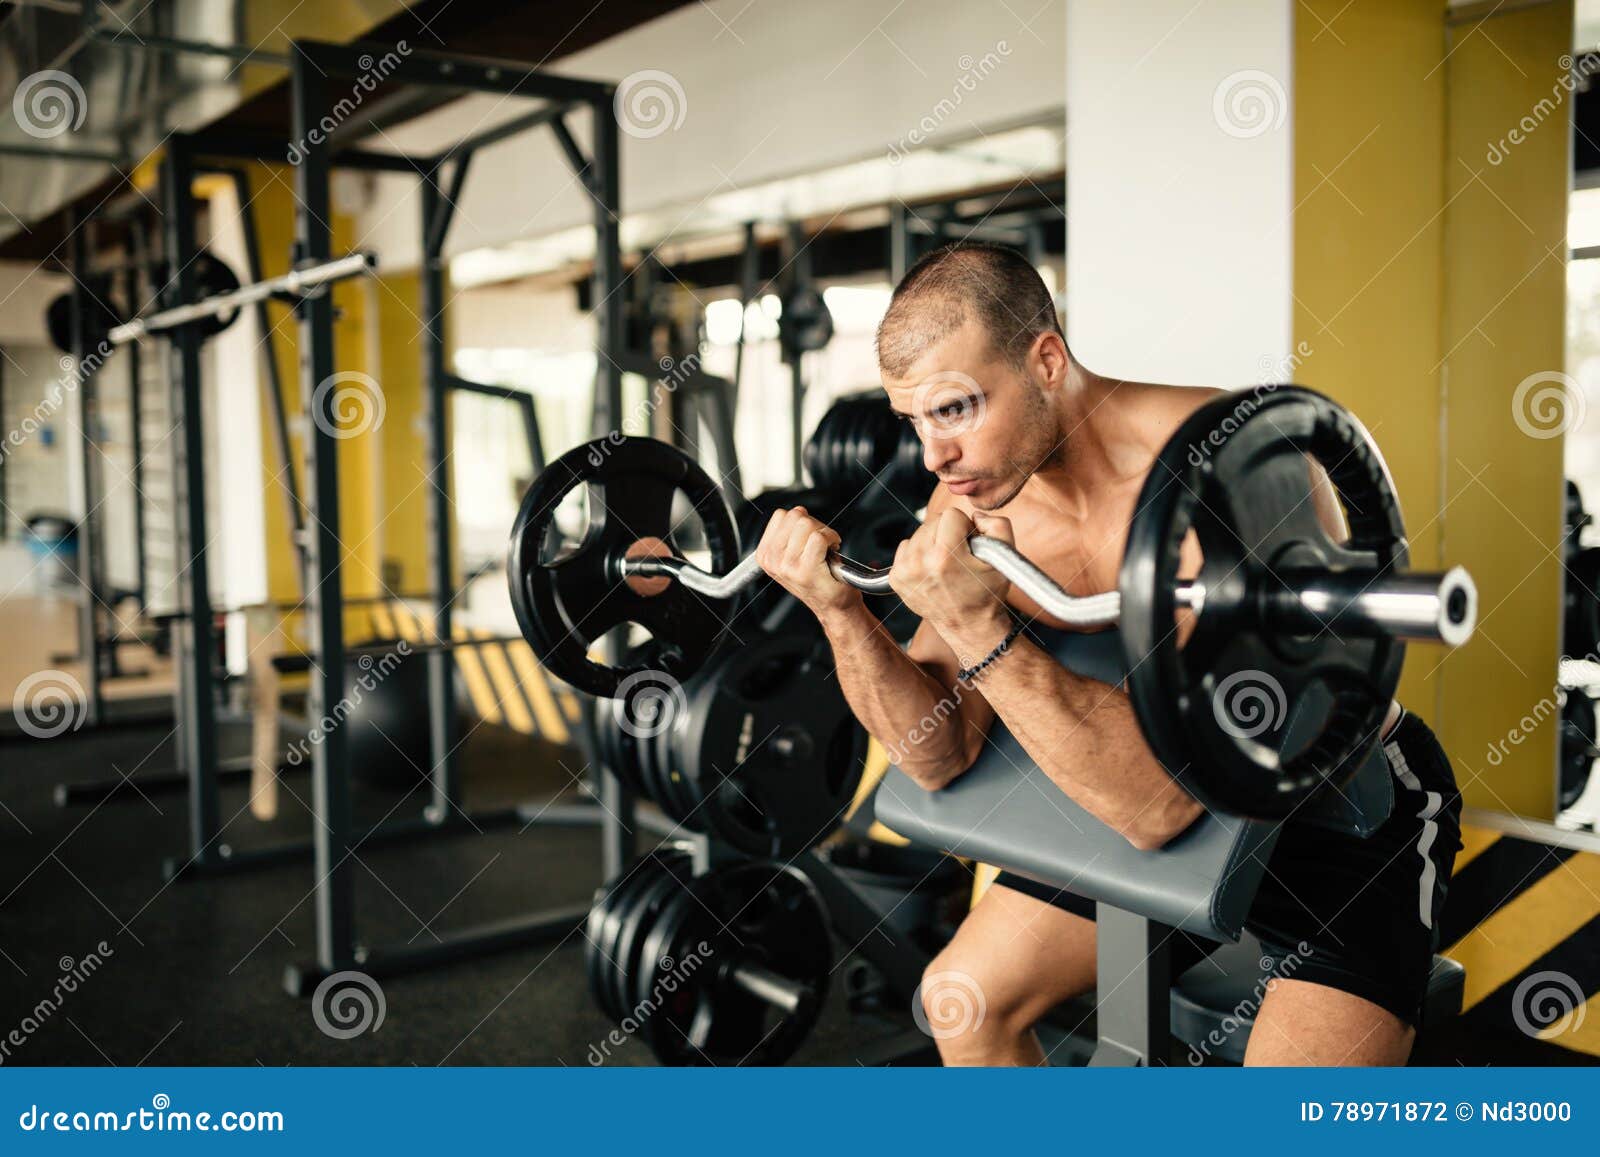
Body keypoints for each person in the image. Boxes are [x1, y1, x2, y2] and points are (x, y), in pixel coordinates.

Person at [754, 242, 1462, 1066]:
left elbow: (1161, 804)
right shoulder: (979, 499)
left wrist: (982, 627)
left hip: (1342, 816)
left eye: (954, 409)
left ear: (1047, 359)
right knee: (964, 1002)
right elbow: (937, 756)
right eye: (913, 421)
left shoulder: (1238, 469)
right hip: (1149, 808)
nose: (931, 456)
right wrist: (840, 613)